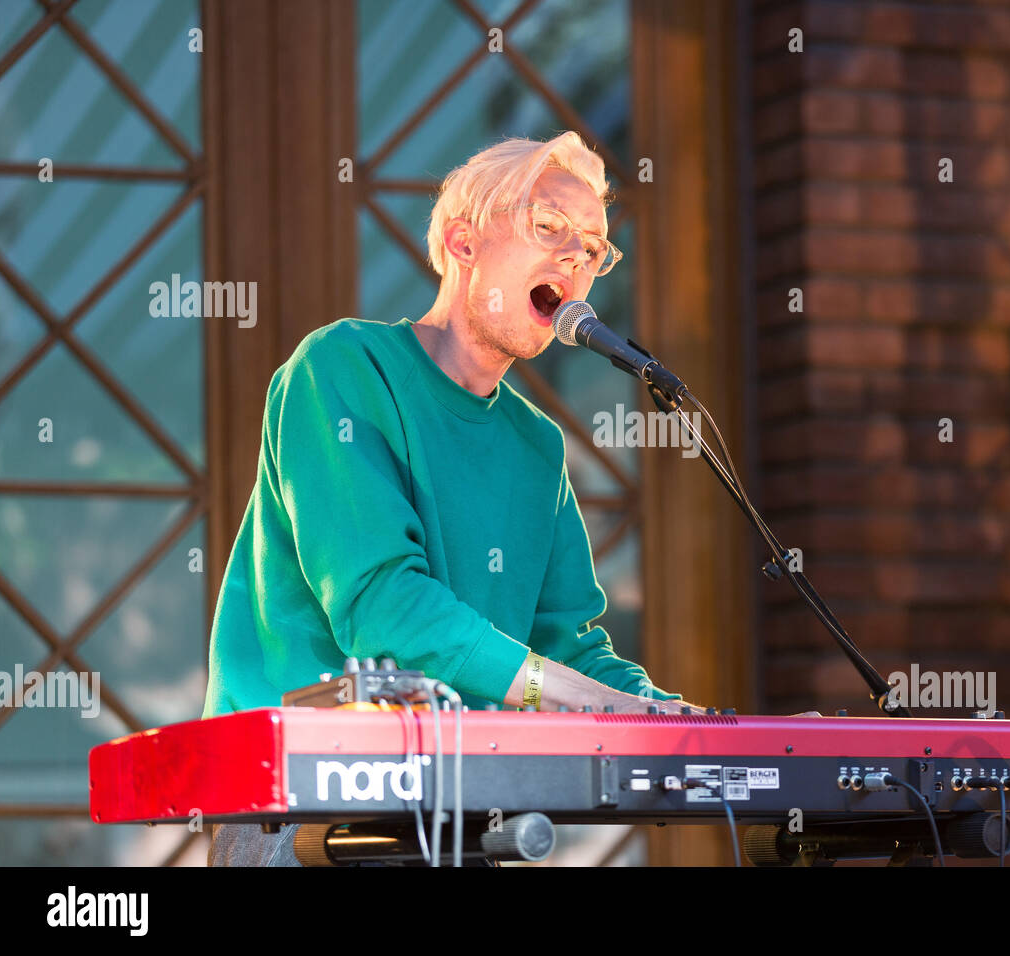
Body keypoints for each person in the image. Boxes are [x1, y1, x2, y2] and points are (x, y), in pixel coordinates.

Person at [204, 131, 703, 866]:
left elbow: (569, 643)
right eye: (548, 229)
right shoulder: (340, 368)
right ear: (464, 242)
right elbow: (383, 607)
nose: (575, 258)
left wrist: (675, 717)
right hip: (301, 809)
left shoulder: (536, 446)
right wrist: (568, 694)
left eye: (593, 248)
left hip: (461, 806)